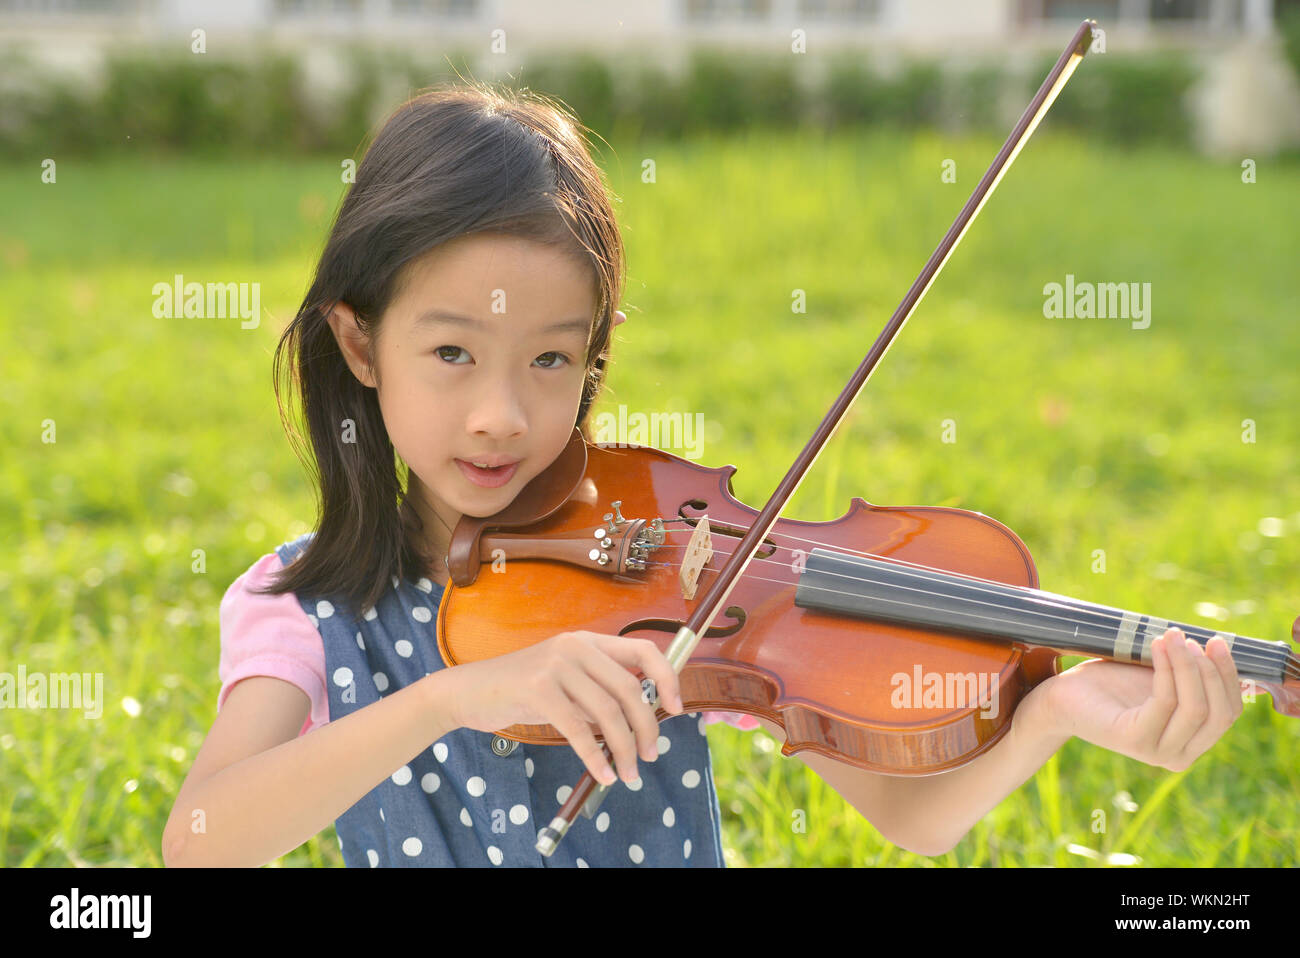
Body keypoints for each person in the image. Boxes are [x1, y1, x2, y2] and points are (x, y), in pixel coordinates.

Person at [161, 82, 1245, 868]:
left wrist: (1053, 714)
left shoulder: (674, 578)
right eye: (451, 353)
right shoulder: (306, 605)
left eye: (551, 358)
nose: (502, 414)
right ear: (359, 346)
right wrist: (447, 699)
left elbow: (915, 820)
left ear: (594, 355)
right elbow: (199, 841)